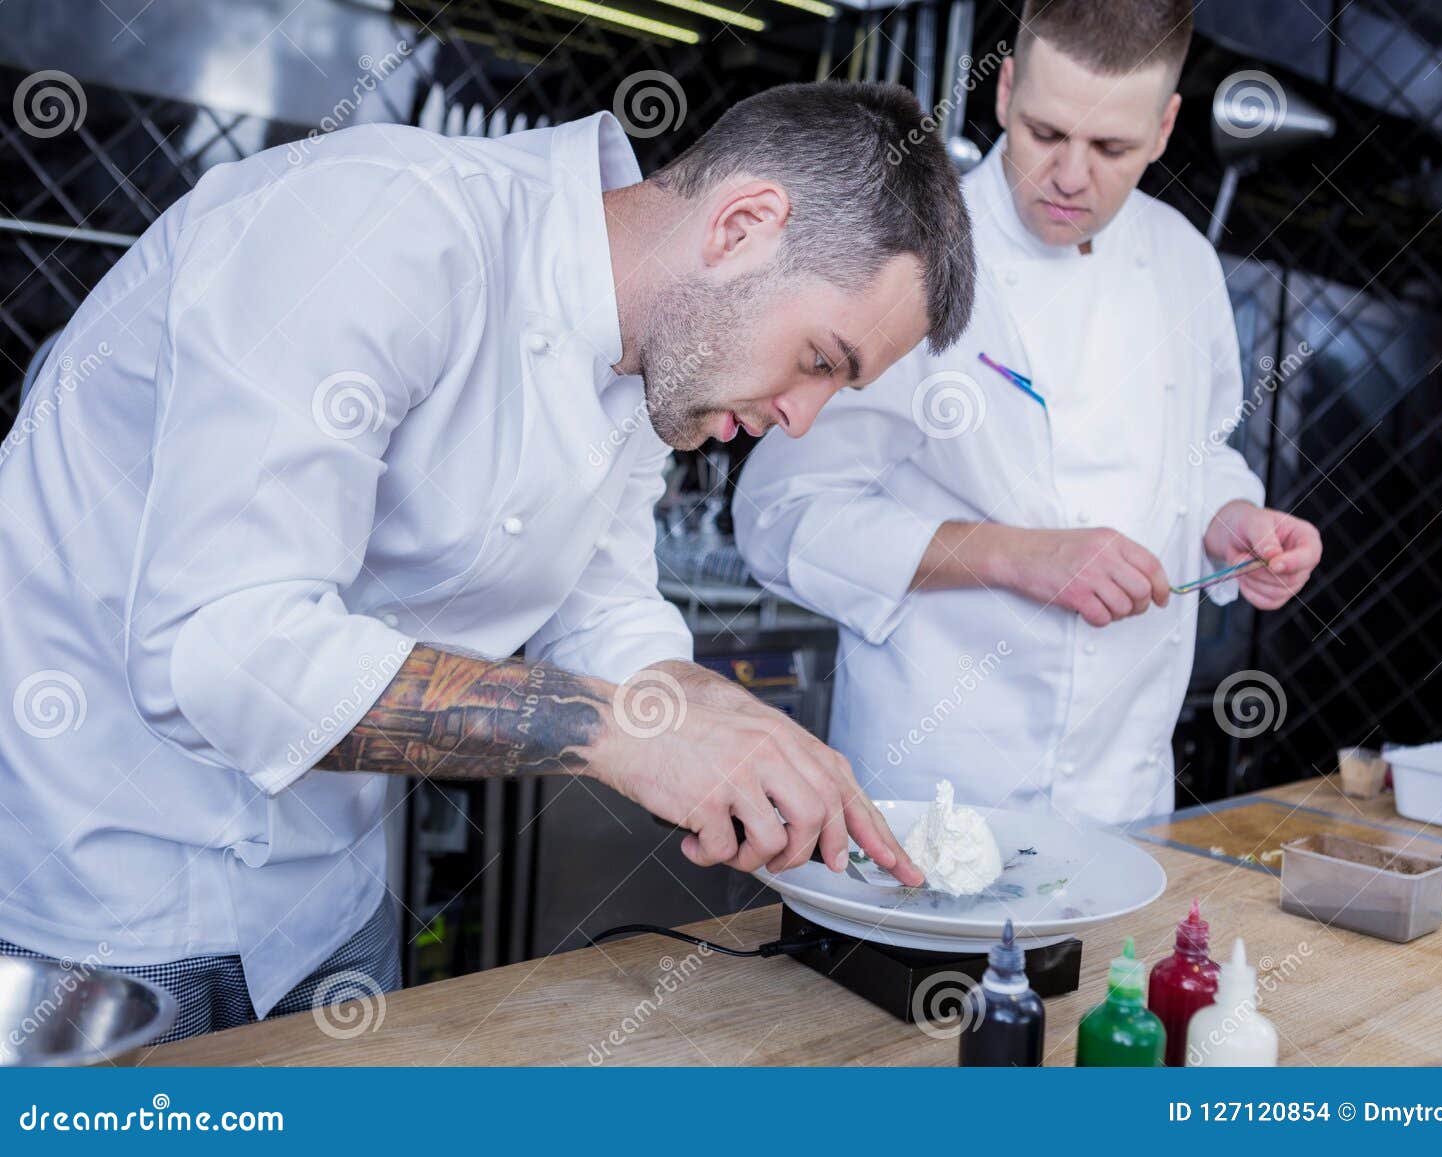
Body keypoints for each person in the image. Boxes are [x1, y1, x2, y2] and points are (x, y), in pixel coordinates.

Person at [0, 82, 974, 1040]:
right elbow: (220, 650)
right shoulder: (376, 223)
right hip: (96, 897)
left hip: (322, 904)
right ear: (743, 227)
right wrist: (619, 734)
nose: (800, 418)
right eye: (819, 359)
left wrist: (702, 710)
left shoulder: (652, 358)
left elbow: (604, 605)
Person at [735, 1, 1322, 826]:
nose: (1070, 176)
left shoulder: (1185, 262)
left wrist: (1233, 522)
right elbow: (778, 517)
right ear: (1006, 90)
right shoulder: (909, 260)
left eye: (1112, 147)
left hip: (1126, 799)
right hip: (929, 794)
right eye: (1046, 133)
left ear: (1163, 128)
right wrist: (1017, 558)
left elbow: (1202, 452)